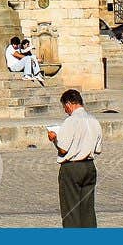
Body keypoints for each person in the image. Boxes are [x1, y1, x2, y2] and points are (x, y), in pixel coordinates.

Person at [48, 88, 103, 228]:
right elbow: (98, 149)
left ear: (68, 104)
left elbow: (63, 149)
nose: (65, 111)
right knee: (87, 210)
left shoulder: (71, 121)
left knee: (71, 210)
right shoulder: (94, 121)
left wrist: (54, 139)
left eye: (64, 107)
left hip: (72, 168)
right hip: (89, 167)